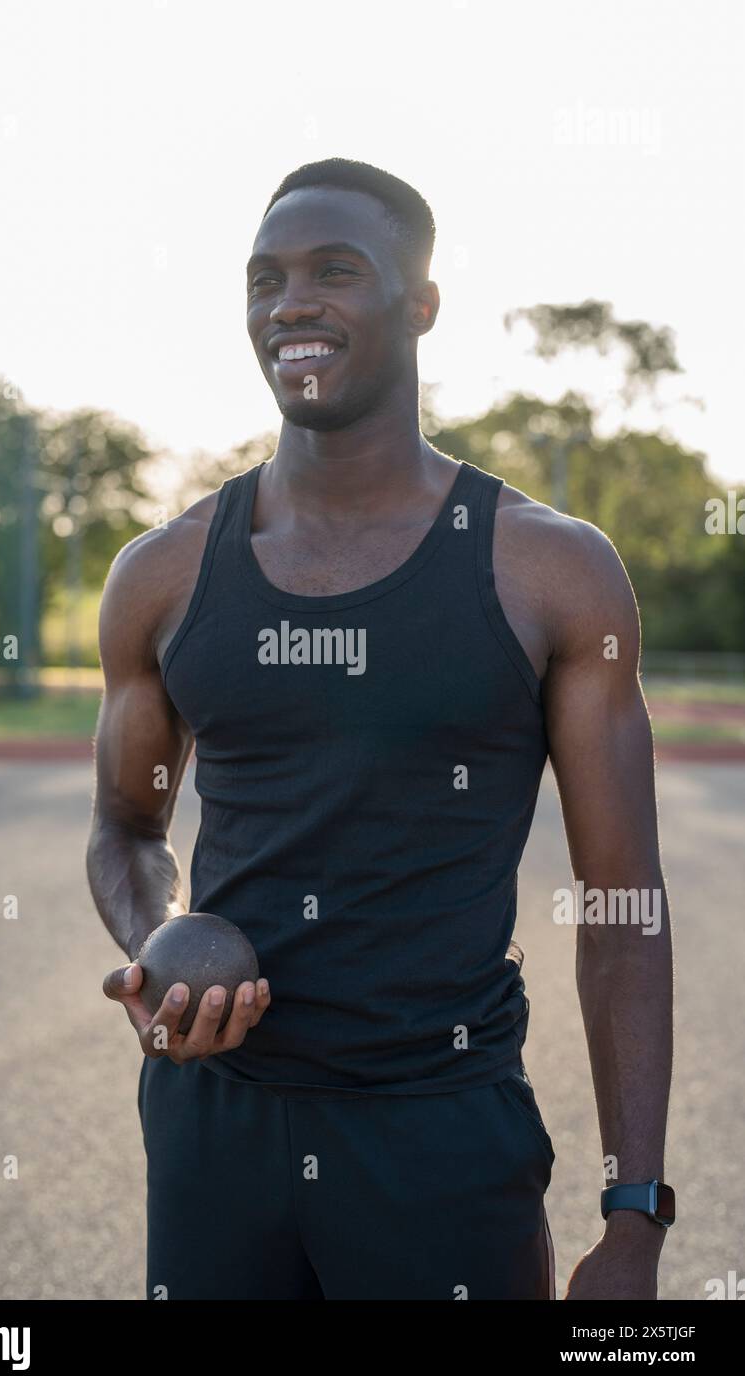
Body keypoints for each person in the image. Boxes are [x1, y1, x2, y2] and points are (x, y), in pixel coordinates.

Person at [87, 158, 674, 1300]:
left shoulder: (549, 571)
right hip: (214, 1126)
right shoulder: (161, 574)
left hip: (438, 1129)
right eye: (264, 279)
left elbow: (622, 906)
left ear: (421, 305)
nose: (290, 304)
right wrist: (161, 946)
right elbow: (124, 827)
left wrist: (634, 1212)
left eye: (334, 272)